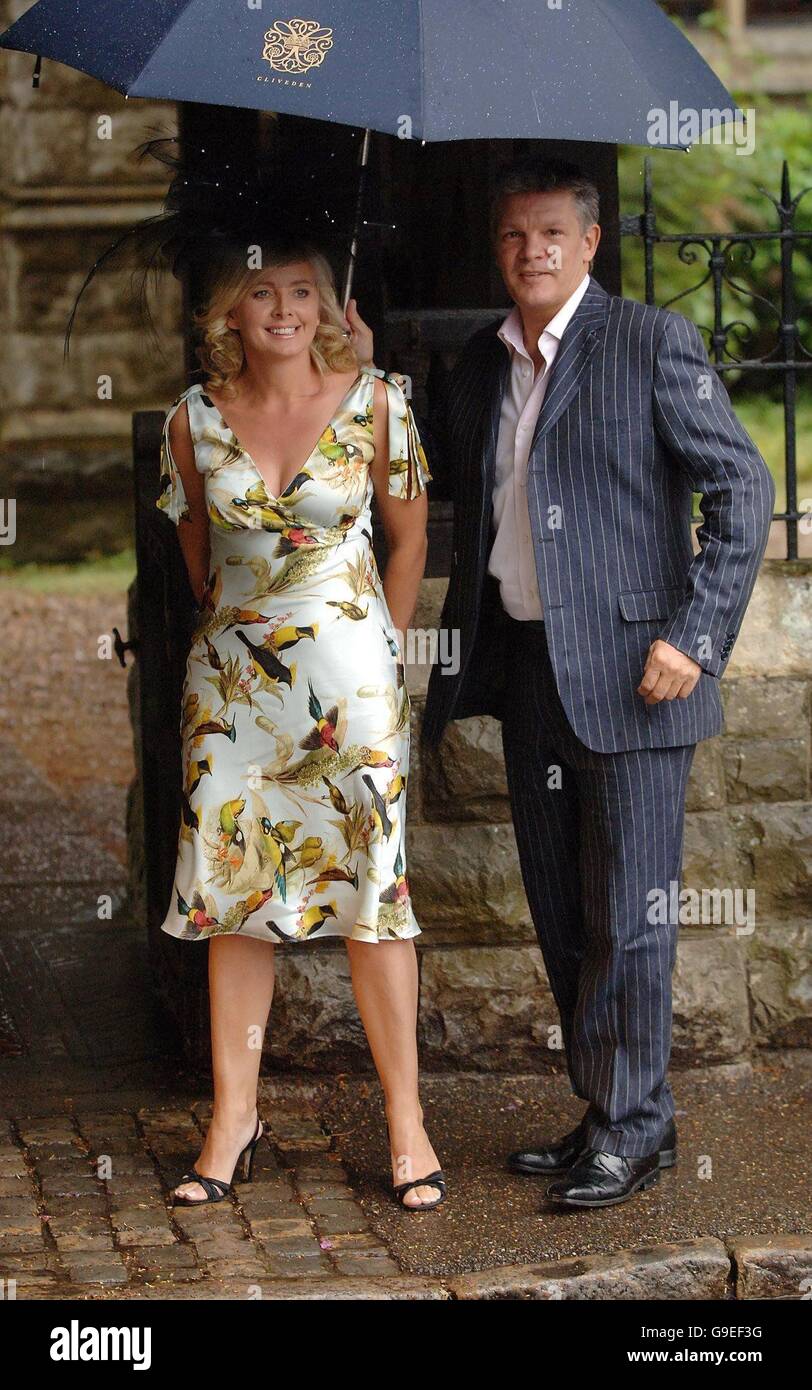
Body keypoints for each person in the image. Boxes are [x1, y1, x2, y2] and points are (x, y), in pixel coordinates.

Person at [64, 140, 445, 1213]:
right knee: (236, 902)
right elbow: (199, 568)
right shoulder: (190, 423)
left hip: (355, 694)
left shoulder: (379, 404)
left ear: (328, 302)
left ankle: (405, 1122)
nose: (281, 308)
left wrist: (379, 647)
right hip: (232, 697)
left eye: (301, 291)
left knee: (377, 903)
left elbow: (408, 540)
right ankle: (233, 1116)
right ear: (227, 309)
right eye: (260, 291)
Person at [419, 158, 775, 1209]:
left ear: (588, 244)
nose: (530, 252)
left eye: (549, 235)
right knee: (561, 910)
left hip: (636, 678)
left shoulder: (649, 342)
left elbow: (741, 486)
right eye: (512, 237)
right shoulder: (486, 366)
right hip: (528, 669)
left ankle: (633, 1124)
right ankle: (612, 1112)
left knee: (627, 914)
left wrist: (693, 635)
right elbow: (445, 474)